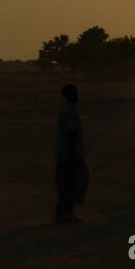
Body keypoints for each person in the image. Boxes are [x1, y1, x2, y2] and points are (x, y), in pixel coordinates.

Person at [54, 84, 88, 223]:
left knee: (65, 184)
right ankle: (66, 213)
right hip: (69, 155)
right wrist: (75, 155)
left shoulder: (67, 111)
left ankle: (62, 213)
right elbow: (71, 134)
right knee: (71, 183)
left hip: (63, 154)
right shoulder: (70, 112)